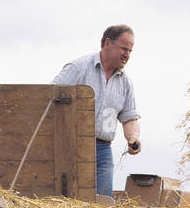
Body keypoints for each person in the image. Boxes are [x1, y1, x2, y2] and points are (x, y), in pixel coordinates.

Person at [53, 25, 141, 197]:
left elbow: (129, 118)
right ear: (108, 43)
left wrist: (133, 138)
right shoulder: (79, 68)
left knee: (103, 201)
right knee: (67, 197)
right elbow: (50, 96)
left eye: (130, 51)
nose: (127, 55)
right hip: (71, 144)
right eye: (124, 49)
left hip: (103, 149)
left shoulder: (125, 82)